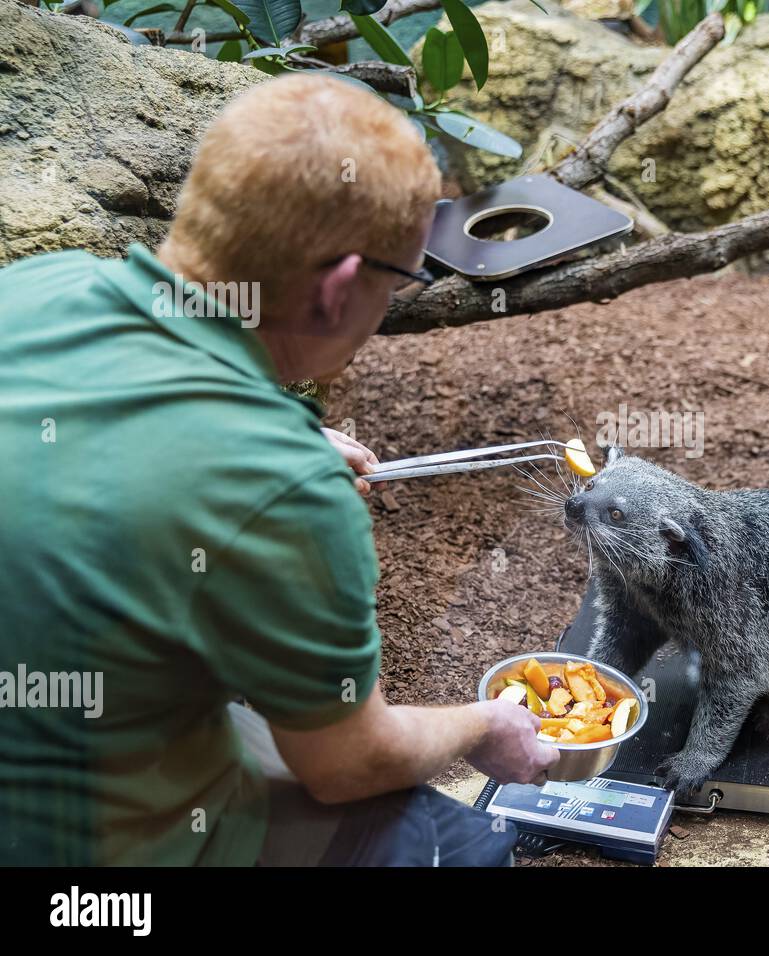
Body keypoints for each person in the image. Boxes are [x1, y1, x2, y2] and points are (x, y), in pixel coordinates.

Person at [0, 73, 557, 866]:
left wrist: (274, 442)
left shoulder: (32, 286)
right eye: (400, 282)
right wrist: (486, 724)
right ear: (336, 292)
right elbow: (347, 764)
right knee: (462, 845)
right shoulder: (283, 486)